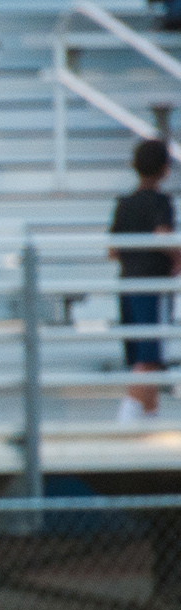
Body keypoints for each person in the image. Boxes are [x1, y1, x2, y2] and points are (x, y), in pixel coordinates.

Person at [109, 139, 179, 422]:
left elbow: (112, 249)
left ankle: (150, 417)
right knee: (149, 357)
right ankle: (126, 416)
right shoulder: (161, 202)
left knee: (143, 355)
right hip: (151, 286)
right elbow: (162, 235)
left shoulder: (124, 204)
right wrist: (177, 257)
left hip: (126, 283)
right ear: (164, 169)